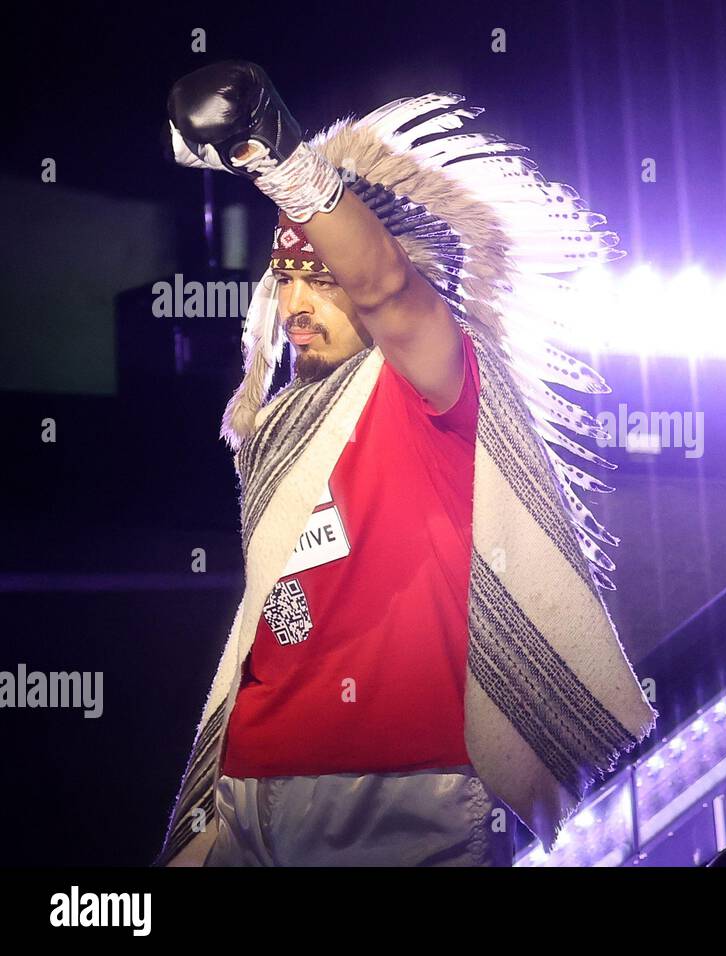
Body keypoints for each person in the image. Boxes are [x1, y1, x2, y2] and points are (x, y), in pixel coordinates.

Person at [155, 60, 657, 866]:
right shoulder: (285, 428)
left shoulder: (434, 390)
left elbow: (387, 287)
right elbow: (286, 617)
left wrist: (278, 156)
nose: (294, 306)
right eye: (285, 279)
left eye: (319, 279)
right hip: (248, 786)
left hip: (387, 798)